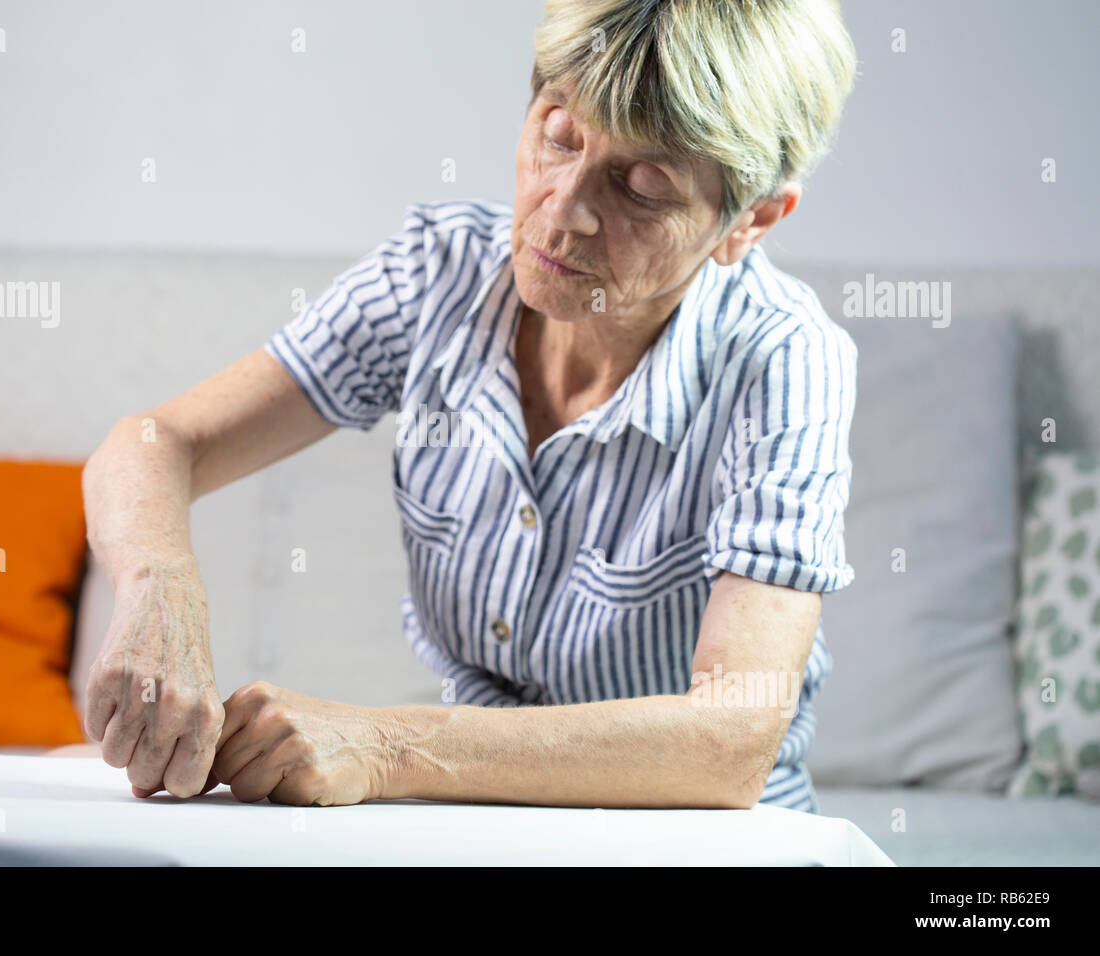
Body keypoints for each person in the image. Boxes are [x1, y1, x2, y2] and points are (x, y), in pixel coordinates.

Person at [65, 0, 859, 811]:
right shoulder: (436, 272)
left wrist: (386, 745)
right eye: (559, 133)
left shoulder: (785, 359)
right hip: (477, 826)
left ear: (751, 220)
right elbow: (157, 444)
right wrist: (159, 590)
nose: (562, 209)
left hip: (699, 846)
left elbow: (730, 746)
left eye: (643, 185)